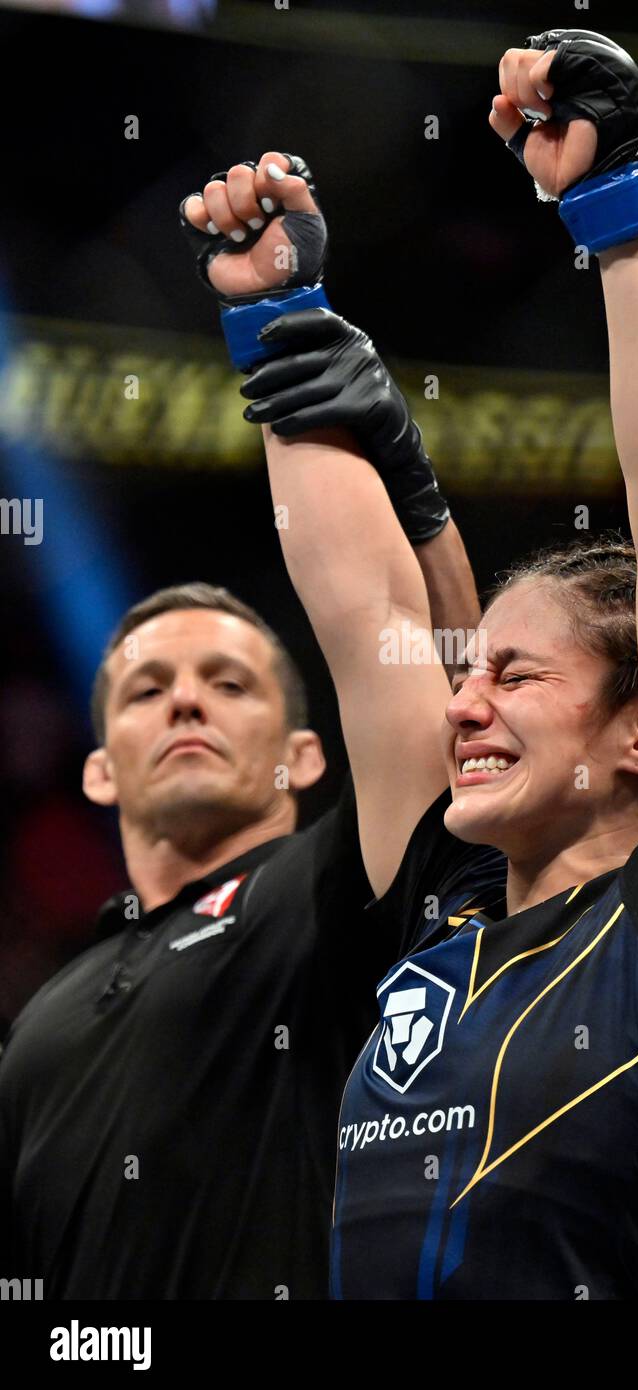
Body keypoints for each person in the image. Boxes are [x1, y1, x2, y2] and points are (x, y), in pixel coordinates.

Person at [183, 30, 638, 1300]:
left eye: (516, 677)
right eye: (478, 675)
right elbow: (367, 627)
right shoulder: (441, 912)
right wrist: (274, 323)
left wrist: (611, 213)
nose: (462, 698)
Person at [0, 152, 483, 1300]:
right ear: (100, 770)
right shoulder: (44, 1023)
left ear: (302, 758)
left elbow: (404, 666)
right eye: (145, 689)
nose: (182, 700)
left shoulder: (329, 900)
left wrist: (278, 321)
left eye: (228, 683)